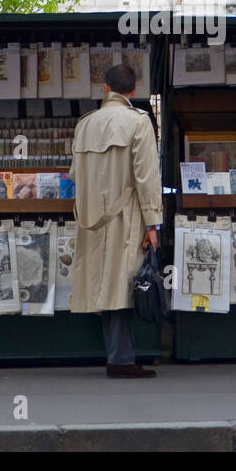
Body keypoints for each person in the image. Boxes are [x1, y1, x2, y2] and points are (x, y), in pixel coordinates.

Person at [68, 64, 162, 378]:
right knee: (122, 286)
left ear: (105, 88)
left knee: (102, 285)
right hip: (126, 216)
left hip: (92, 220)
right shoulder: (139, 122)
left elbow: (75, 176)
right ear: (133, 92)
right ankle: (121, 360)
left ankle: (118, 356)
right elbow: (147, 177)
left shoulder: (85, 125)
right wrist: (153, 224)